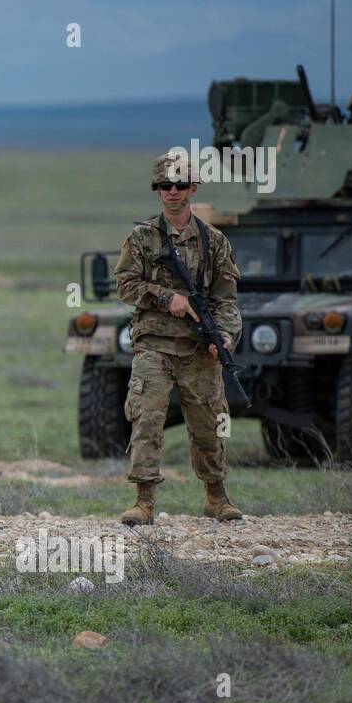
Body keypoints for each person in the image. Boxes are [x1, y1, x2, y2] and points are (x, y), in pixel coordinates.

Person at [113, 152, 243, 525]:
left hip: (199, 349)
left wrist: (225, 337)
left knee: (209, 424)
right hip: (154, 345)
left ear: (193, 189)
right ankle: (143, 501)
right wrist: (167, 298)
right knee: (146, 419)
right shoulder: (141, 238)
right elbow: (125, 285)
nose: (173, 192)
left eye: (180, 185)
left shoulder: (213, 241)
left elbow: (226, 301)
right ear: (157, 189)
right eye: (165, 185)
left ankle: (216, 496)